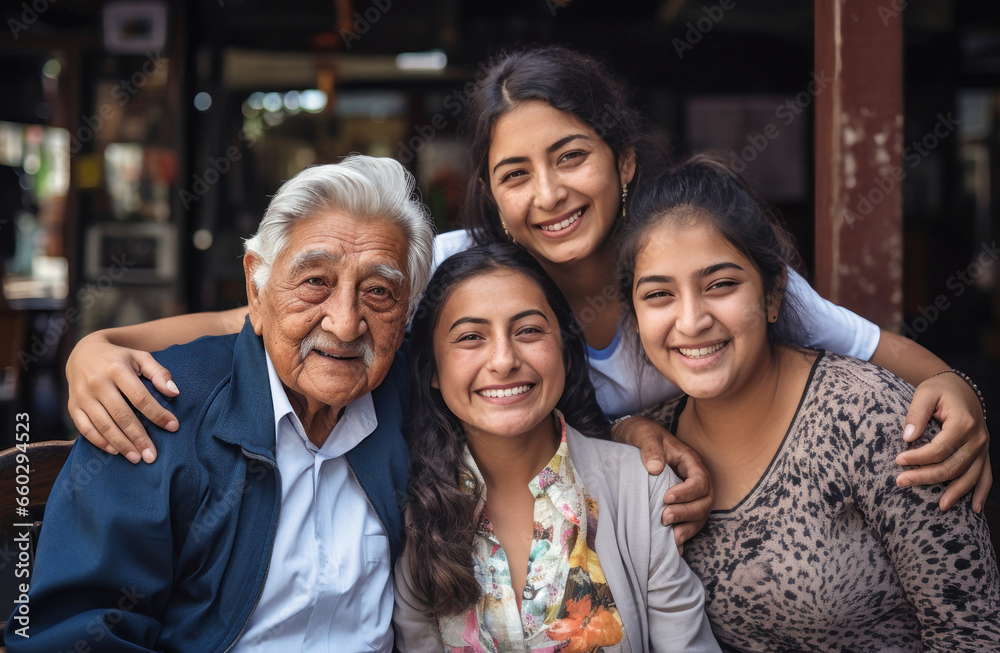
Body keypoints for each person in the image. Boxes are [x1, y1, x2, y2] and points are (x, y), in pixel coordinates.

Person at [63, 48, 989, 542]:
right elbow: (260, 318)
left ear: (623, 162)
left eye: (572, 157)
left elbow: (872, 348)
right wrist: (95, 348)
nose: (547, 194)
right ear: (491, 194)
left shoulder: (689, 267)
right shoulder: (465, 267)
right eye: (516, 172)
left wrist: (953, 383)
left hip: (656, 540)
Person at [5, 155, 435, 652]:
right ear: (258, 288)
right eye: (315, 281)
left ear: (405, 315)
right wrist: (91, 345)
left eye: (379, 291)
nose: (343, 323)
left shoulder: (413, 403)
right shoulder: (157, 409)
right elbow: (77, 631)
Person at [615, 155, 1000, 651]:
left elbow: (972, 631)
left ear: (774, 294)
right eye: (659, 295)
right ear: (636, 316)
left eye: (721, 285)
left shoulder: (872, 419)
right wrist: (624, 430)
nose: (691, 321)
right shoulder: (650, 452)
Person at [392, 243, 720, 652]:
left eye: (528, 330)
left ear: (564, 348)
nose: (504, 360)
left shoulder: (642, 488)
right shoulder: (413, 513)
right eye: (471, 337)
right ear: (433, 371)